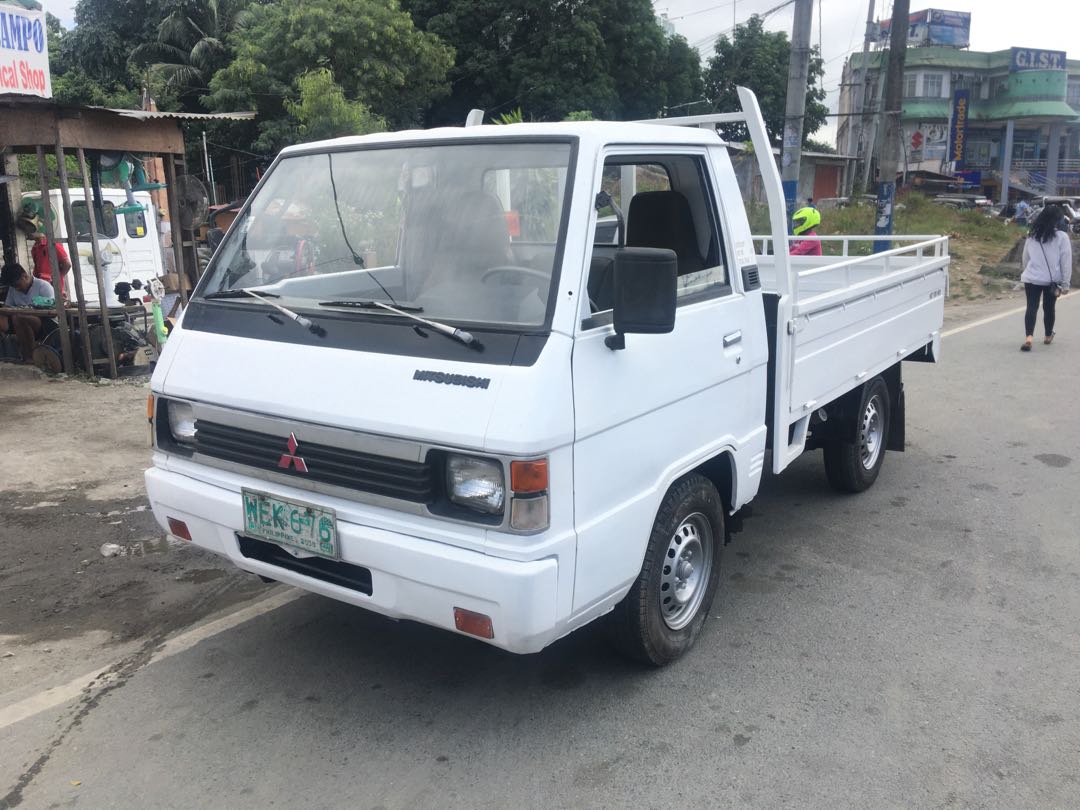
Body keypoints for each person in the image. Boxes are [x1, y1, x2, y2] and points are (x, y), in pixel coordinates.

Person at [1019, 204, 1071, 351]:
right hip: (1051, 281)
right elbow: (1065, 261)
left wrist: (1027, 272)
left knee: (1031, 306)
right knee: (1049, 308)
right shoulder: (1062, 237)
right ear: (1057, 220)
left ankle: (1029, 338)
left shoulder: (1032, 235)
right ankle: (1048, 336)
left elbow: (1025, 258)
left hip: (1031, 278)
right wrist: (1066, 284)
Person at [0, 263, 55, 363]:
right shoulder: (13, 290)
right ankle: (26, 355)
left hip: (44, 325)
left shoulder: (43, 286)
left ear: (24, 276)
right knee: (17, 317)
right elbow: (6, 308)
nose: (16, 289)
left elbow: (51, 312)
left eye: (17, 285)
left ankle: (30, 354)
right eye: (13, 286)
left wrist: (26, 312)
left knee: (19, 316)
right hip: (21, 324)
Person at [29, 230, 69, 296]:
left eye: (31, 230)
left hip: (53, 286)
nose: (28, 233)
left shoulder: (52, 245)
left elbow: (67, 264)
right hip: (40, 285)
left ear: (40, 232)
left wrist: (56, 278)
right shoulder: (34, 248)